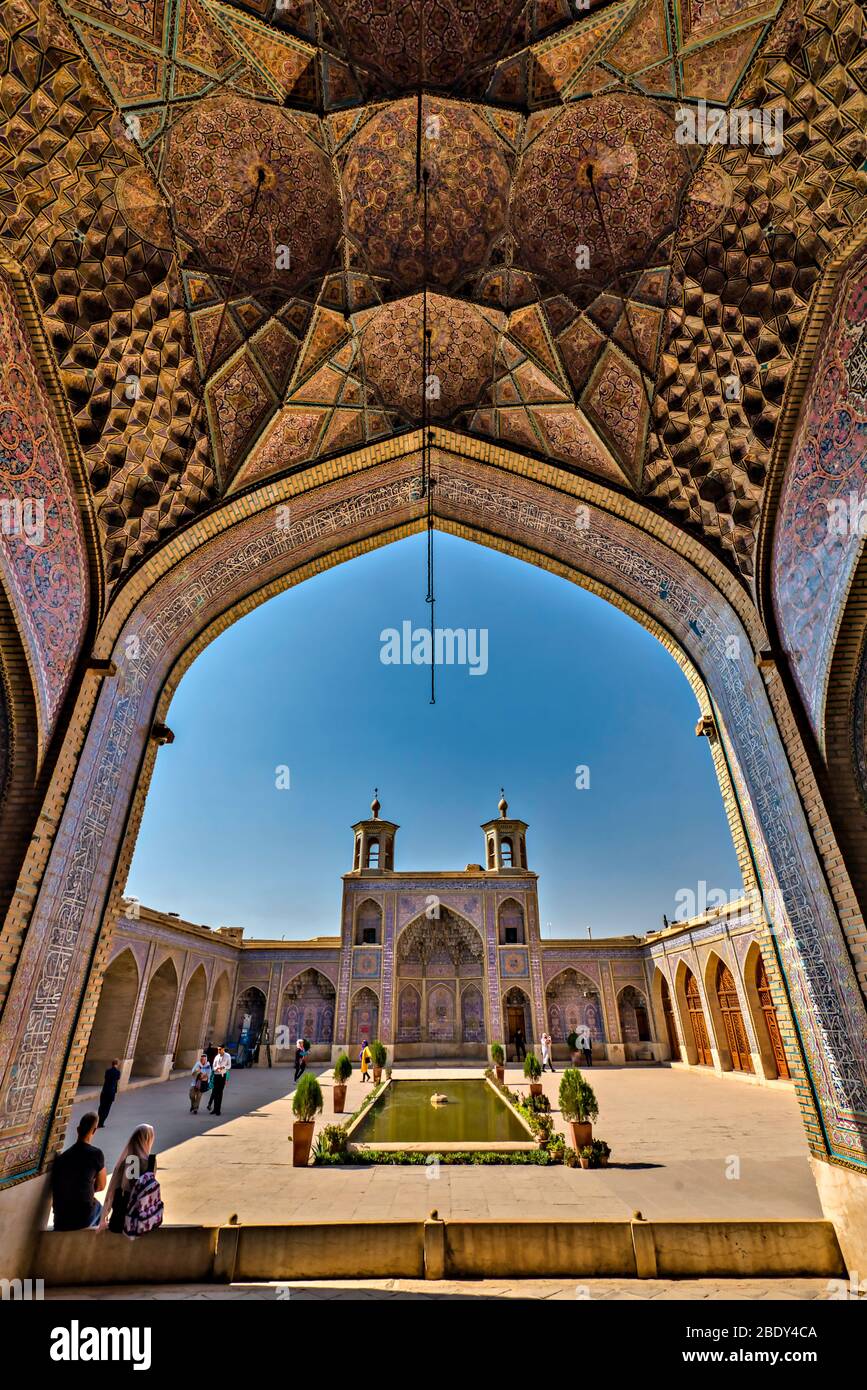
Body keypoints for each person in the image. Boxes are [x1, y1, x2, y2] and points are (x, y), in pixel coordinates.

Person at [101, 1124, 163, 1236]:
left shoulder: (126, 1161)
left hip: (120, 1220)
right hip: (142, 1219)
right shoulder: (150, 1162)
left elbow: (114, 1188)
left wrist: (105, 1214)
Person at [51, 1112, 107, 1230]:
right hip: (81, 1217)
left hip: (60, 1217)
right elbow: (101, 1186)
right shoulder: (96, 1154)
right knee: (102, 1210)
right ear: (94, 1131)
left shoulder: (62, 1158)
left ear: (78, 1129)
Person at [97, 1059, 121, 1128]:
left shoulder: (107, 1071)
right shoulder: (117, 1072)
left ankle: (98, 1121)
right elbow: (117, 1079)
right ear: (117, 1064)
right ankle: (101, 1123)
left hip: (104, 1091)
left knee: (101, 1107)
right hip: (111, 1093)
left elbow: (106, 1078)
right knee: (107, 1108)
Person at [210, 1044, 231, 1115]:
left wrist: (223, 1067)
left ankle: (218, 1110)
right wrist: (217, 1068)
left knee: (220, 1092)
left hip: (222, 1075)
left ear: (223, 1049)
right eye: (218, 1049)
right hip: (216, 1075)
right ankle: (215, 1109)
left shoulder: (227, 1056)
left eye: (219, 1049)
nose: (218, 1051)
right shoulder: (217, 1056)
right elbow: (213, 1066)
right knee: (215, 1092)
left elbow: (229, 1065)